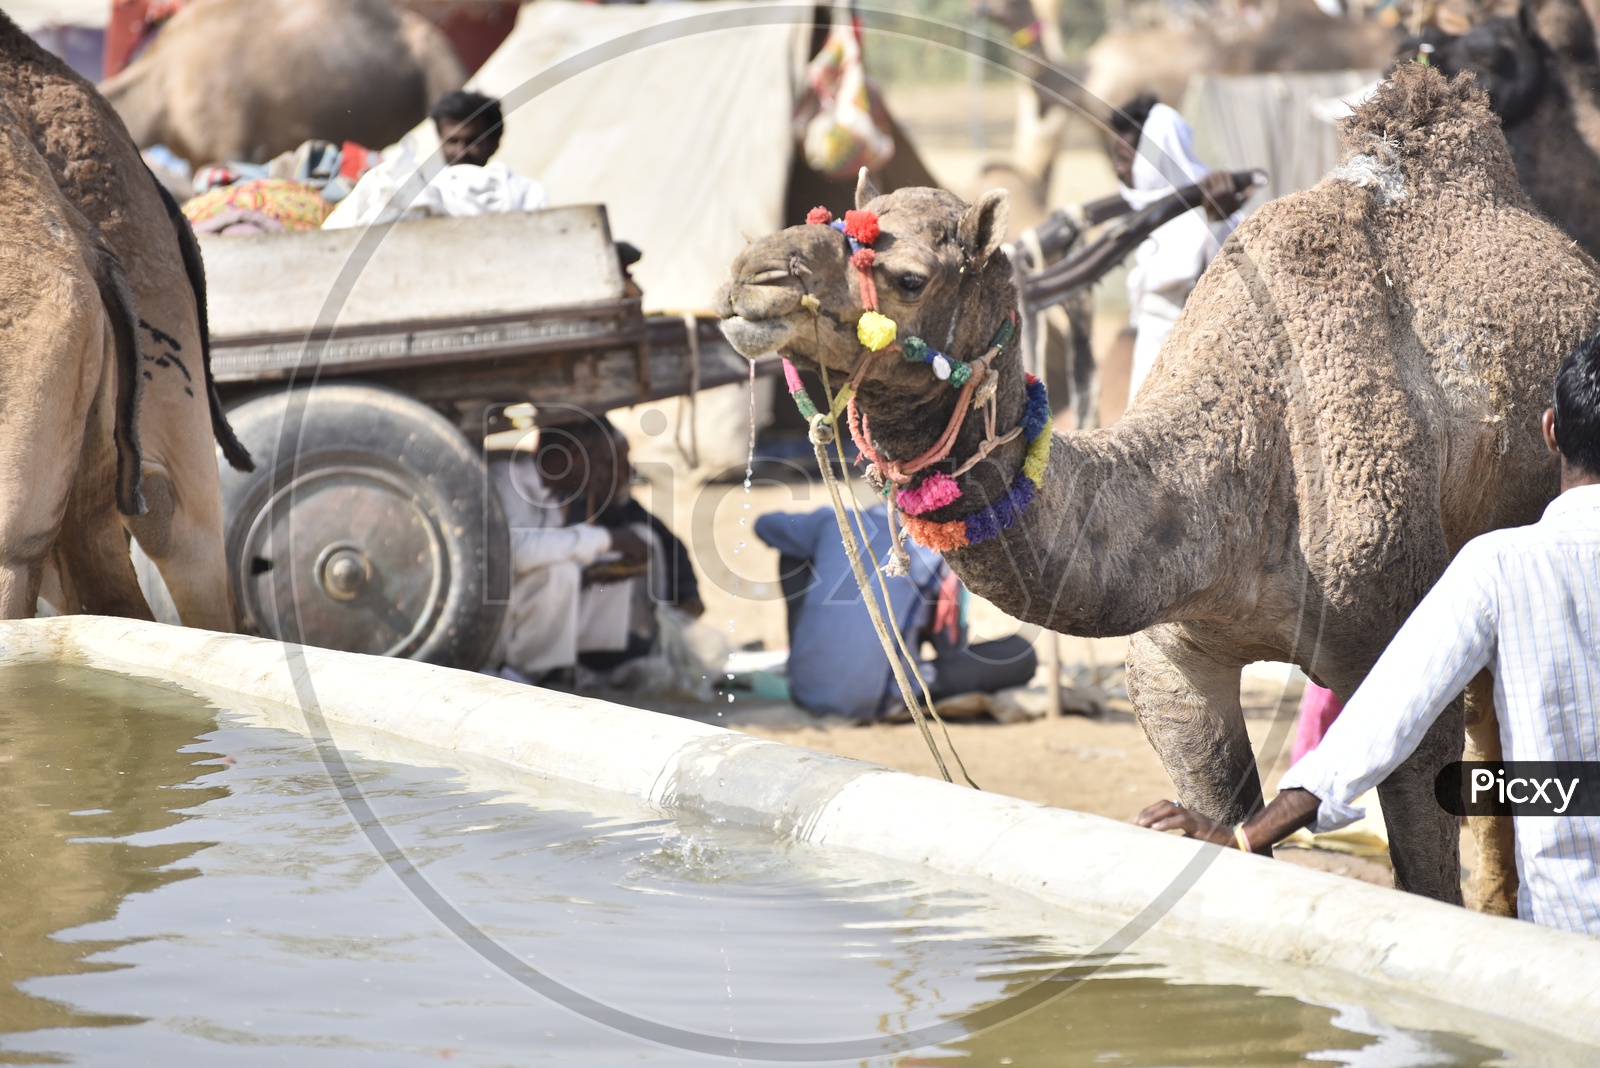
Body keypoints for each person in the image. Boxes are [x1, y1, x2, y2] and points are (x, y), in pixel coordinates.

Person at [1136, 333, 1600, 936]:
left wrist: (1248, 834)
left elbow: (1382, 721)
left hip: (1572, 932)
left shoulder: (1503, 566)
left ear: (1550, 431)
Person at [754, 505, 1036, 720]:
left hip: (805, 693)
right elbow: (949, 649)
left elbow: (764, 525)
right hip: (876, 700)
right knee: (1021, 653)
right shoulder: (937, 550)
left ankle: (808, 656)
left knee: (792, 550)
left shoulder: (836, 520)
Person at [485, 416, 700, 686]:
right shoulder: (504, 480)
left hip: (515, 609)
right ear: (574, 456)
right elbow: (515, 553)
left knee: (597, 560)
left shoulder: (554, 496)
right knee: (561, 571)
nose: (603, 476)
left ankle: (580, 663)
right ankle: (521, 675)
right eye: (603, 464)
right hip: (489, 620)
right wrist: (607, 538)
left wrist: (589, 574)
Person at [1108, 95, 1243, 406]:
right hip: (1147, 386)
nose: (1118, 169)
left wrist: (1217, 220)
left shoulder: (1212, 220)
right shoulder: (1151, 221)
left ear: (1151, 161)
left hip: (1189, 393)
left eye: (1126, 159)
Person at [322, 89, 546, 229]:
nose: (461, 151)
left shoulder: (518, 191)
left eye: (473, 141)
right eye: (452, 141)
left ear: (494, 143)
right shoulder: (413, 183)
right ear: (439, 139)